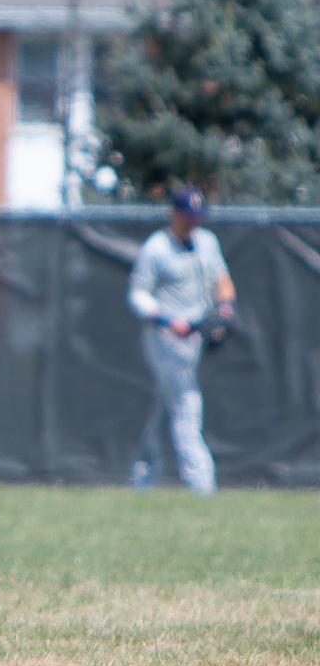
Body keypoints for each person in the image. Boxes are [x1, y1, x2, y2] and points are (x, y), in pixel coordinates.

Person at [127, 185, 235, 495]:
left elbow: (222, 279)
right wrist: (166, 319)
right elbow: (137, 294)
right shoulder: (156, 248)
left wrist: (225, 308)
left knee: (166, 406)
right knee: (187, 403)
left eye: (197, 215)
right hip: (164, 337)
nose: (193, 221)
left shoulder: (206, 242)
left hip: (195, 335)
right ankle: (201, 482)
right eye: (187, 215)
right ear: (173, 213)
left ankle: (143, 476)